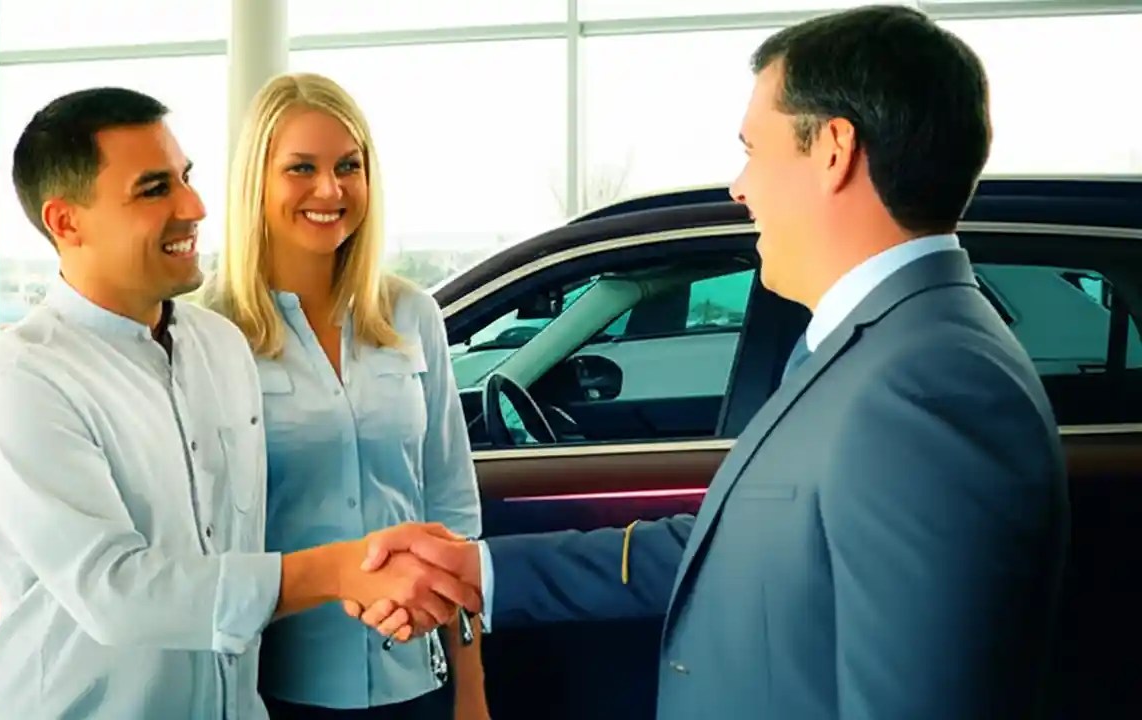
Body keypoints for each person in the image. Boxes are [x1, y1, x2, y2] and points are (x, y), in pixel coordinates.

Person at [347, 5, 1070, 719]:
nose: (739, 186)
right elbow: (732, 551)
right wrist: (480, 571)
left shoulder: (930, 387)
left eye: (754, 149)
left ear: (833, 151)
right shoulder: (873, 347)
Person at [0, 86, 479, 720]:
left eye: (186, 178)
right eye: (155, 189)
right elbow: (118, 591)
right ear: (66, 222)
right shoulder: (21, 381)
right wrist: (343, 570)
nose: (194, 206)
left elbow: (238, 542)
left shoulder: (217, 346)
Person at [202, 72, 488, 720]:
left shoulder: (412, 315)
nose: (330, 190)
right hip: (273, 690)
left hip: (414, 682)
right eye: (301, 168)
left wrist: (470, 693)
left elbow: (453, 512)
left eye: (348, 166)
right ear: (258, 182)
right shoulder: (208, 333)